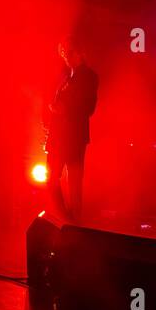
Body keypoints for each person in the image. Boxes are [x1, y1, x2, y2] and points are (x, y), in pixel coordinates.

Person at [45, 38, 98, 221]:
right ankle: (66, 220)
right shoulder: (67, 79)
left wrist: (63, 109)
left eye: (70, 52)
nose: (66, 56)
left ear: (80, 53)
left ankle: (72, 223)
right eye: (65, 52)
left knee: (73, 185)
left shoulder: (89, 77)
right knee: (52, 180)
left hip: (74, 138)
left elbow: (89, 107)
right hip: (58, 138)